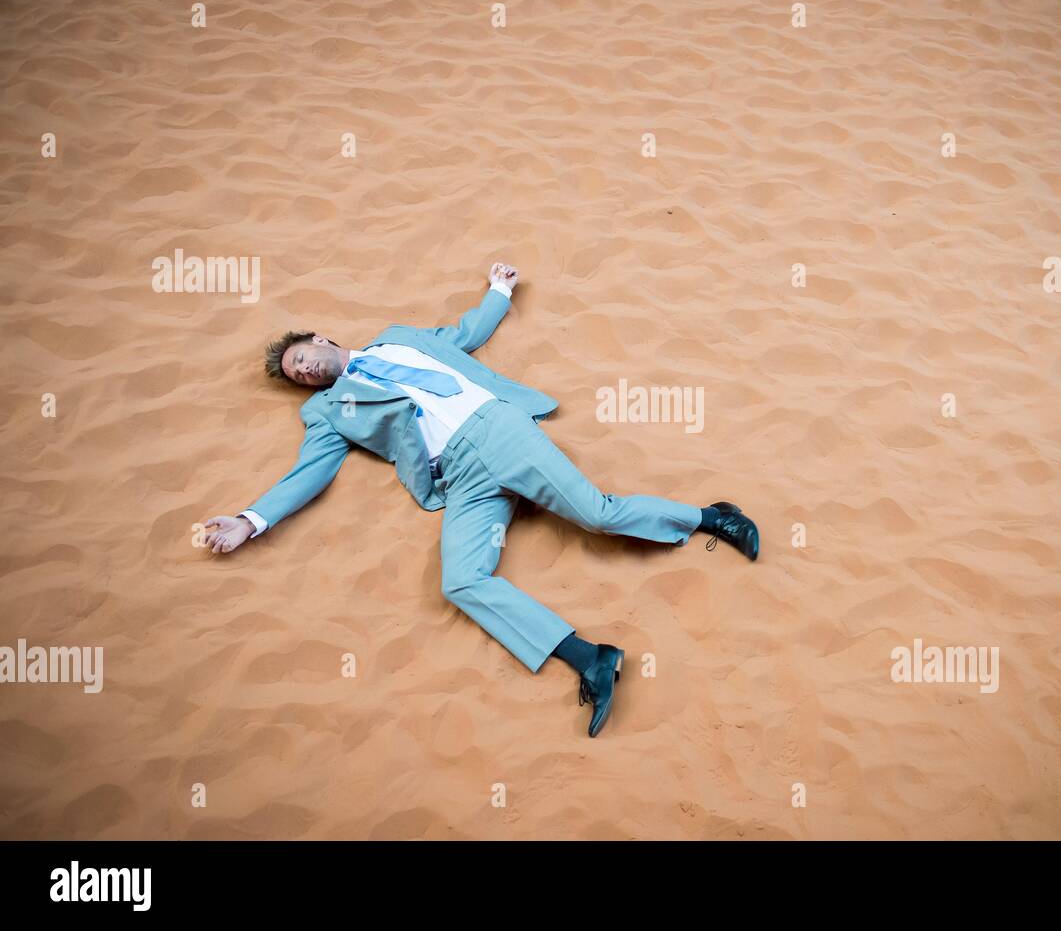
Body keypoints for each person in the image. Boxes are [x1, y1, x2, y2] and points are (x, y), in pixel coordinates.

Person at [202, 263, 760, 737]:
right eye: (298, 376)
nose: (303, 371)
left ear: (320, 339)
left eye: (302, 357)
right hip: (461, 478)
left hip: (496, 428)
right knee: (460, 580)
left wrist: (500, 290)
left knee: (597, 515)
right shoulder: (327, 411)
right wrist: (252, 520)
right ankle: (591, 659)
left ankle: (713, 517)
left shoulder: (400, 338)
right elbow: (309, 471)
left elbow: (465, 334)